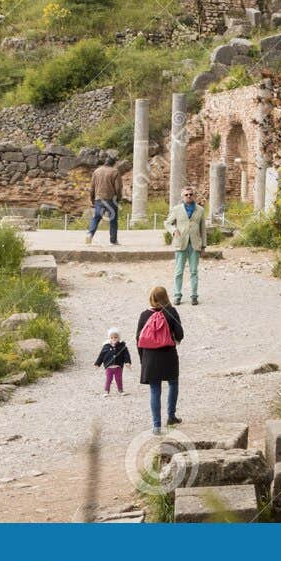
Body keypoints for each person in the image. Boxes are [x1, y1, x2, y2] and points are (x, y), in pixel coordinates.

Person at [136, 286, 183, 433]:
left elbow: (138, 339)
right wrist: (174, 339)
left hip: (150, 358)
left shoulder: (144, 315)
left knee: (155, 390)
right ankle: (171, 416)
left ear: (151, 297)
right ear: (166, 297)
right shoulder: (171, 312)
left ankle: (156, 426)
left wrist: (142, 360)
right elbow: (180, 334)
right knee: (173, 383)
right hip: (168, 355)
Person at [165, 185, 207, 306]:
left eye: (191, 194)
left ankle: (194, 296)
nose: (189, 196)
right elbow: (167, 223)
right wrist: (173, 230)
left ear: (194, 196)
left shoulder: (200, 210)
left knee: (194, 271)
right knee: (178, 271)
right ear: (182, 196)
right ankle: (177, 295)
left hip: (195, 245)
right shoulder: (176, 209)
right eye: (186, 195)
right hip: (180, 243)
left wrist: (203, 246)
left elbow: (203, 229)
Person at [86, 159, 123, 245]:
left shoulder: (97, 171)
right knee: (113, 220)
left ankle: (90, 234)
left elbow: (92, 187)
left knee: (96, 218)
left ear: (105, 163)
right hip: (111, 199)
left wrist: (92, 198)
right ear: (113, 164)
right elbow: (118, 188)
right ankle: (113, 241)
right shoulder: (115, 172)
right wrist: (118, 198)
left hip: (99, 199)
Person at [94, 327, 131, 396]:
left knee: (119, 379)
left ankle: (120, 390)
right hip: (109, 367)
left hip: (118, 367)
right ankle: (106, 391)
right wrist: (97, 364)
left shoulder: (122, 346)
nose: (114, 339)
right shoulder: (106, 347)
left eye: (115, 337)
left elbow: (126, 355)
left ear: (119, 338)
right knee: (109, 379)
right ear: (109, 338)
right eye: (112, 337)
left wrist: (127, 362)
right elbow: (101, 356)